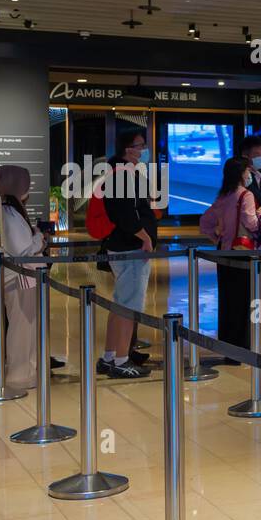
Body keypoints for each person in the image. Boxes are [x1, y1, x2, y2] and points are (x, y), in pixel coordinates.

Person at [97, 130, 162, 379]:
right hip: (130, 247)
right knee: (128, 306)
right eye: (140, 146)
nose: (143, 150)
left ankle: (110, 356)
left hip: (122, 245)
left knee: (120, 304)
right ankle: (121, 360)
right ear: (128, 150)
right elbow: (125, 214)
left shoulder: (117, 173)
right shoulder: (123, 175)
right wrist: (144, 237)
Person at [199, 157, 261, 359]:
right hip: (244, 253)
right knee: (249, 299)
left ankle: (229, 344)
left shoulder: (223, 196)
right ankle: (246, 345)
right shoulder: (246, 195)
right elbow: (250, 222)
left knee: (228, 300)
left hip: (224, 252)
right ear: (241, 173)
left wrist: (216, 237)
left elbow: (205, 223)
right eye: (247, 171)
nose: (249, 175)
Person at [0, 165, 43, 391]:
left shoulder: (3, 210)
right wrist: (40, 238)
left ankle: (25, 370)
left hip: (15, 277)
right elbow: (24, 250)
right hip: (21, 278)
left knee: (23, 327)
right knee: (23, 328)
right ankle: (20, 374)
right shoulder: (11, 214)